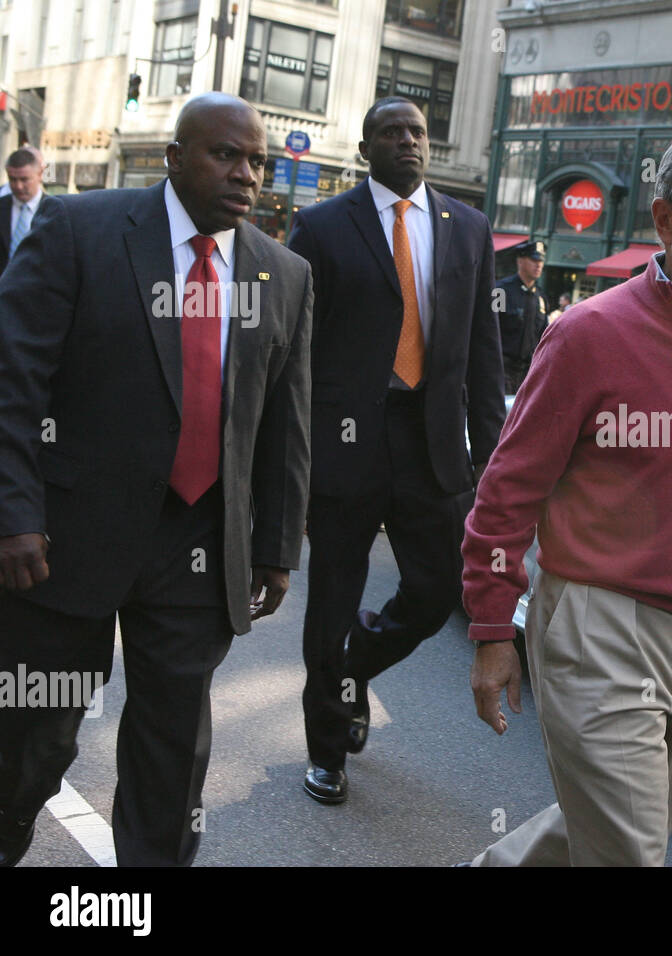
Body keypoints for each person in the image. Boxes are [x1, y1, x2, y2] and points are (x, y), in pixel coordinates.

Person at [462, 127, 672, 867]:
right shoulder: (589, 334)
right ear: (665, 220)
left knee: (626, 826)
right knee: (631, 849)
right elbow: (507, 491)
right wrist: (494, 626)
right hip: (596, 621)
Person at [0, 93, 312, 866]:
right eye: (225, 155)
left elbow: (284, 425)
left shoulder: (285, 274)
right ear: (175, 158)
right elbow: (14, 381)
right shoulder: (81, 231)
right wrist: (13, 512)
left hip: (197, 547)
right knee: (35, 740)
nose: (246, 174)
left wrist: (274, 545)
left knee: (172, 755)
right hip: (64, 540)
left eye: (256, 161)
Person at [287, 96, 504, 804]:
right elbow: (296, 350)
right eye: (391, 132)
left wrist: (493, 459)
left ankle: (353, 671)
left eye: (416, 131)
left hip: (432, 444)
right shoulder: (320, 226)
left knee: (438, 592)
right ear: (365, 148)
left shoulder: (468, 228)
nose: (407, 141)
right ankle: (327, 748)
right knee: (330, 603)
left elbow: (482, 353)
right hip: (344, 447)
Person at [495, 240, 547, 393]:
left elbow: (542, 336)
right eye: (534, 260)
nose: (538, 265)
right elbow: (487, 330)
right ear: (520, 261)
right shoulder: (501, 291)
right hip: (501, 369)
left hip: (527, 373)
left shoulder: (540, 297)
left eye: (541, 261)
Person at [1, 147, 47, 273]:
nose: (18, 186)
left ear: (40, 174)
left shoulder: (55, 210)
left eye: (24, 179)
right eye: (12, 179)